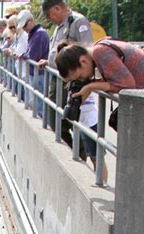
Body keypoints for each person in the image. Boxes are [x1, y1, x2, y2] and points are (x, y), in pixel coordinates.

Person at [38, 0, 92, 150]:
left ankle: (78, 152)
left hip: (69, 79)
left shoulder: (77, 21)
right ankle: (72, 150)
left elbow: (86, 50)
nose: (49, 20)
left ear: (57, 8)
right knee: (54, 118)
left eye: (49, 15)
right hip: (58, 77)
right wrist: (49, 62)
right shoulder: (59, 27)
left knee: (66, 119)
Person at [57, 42, 108, 184]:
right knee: (92, 155)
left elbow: (82, 100)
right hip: (84, 122)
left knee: (97, 157)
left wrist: (83, 89)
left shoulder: (84, 82)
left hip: (91, 120)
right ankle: (100, 181)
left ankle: (102, 182)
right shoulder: (78, 81)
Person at [55, 39, 144, 95]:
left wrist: (91, 86)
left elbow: (127, 86)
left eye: (79, 77)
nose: (82, 80)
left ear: (83, 61)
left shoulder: (101, 53)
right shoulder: (99, 49)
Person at [16, 10, 49, 115]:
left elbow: (32, 56)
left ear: (31, 21)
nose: (24, 29)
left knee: (38, 104)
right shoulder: (35, 33)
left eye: (25, 25)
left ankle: (43, 123)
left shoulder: (39, 34)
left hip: (39, 73)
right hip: (35, 72)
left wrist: (21, 55)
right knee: (34, 101)